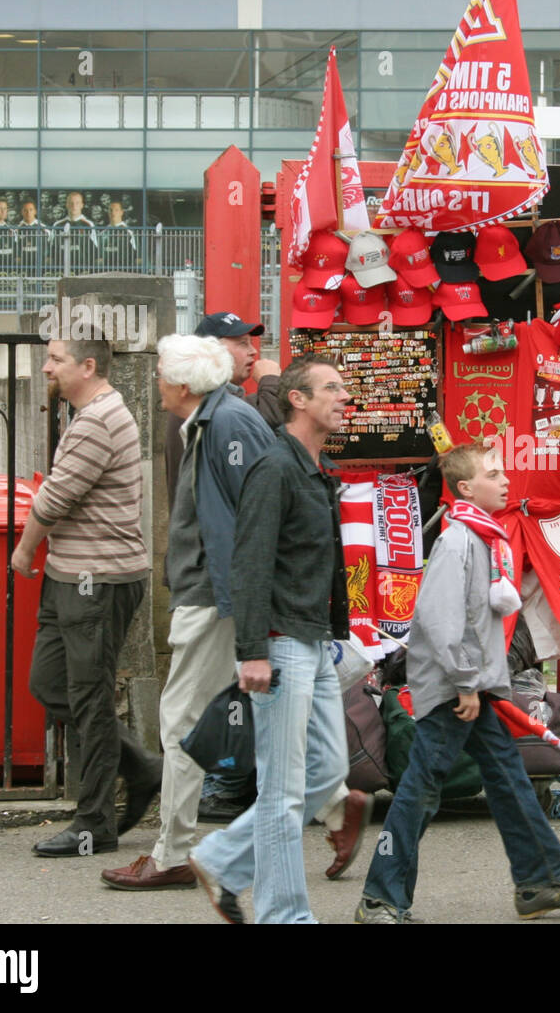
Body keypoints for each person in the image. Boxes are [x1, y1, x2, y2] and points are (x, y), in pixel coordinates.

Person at [355, 442, 560, 924]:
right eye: (494, 474)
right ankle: (380, 898)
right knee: (421, 789)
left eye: (503, 472)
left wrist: (479, 682)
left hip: (477, 686)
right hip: (454, 690)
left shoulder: (483, 536)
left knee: (508, 779)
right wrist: (465, 683)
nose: (506, 481)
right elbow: (442, 620)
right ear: (466, 488)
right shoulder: (459, 540)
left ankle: (540, 882)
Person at [100, 334, 274, 891]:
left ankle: (173, 851)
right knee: (273, 714)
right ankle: (338, 804)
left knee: (181, 724)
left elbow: (251, 517)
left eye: (159, 377)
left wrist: (238, 605)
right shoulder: (216, 420)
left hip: (212, 597)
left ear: (179, 384)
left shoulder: (224, 423)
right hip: (215, 593)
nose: (155, 386)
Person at [189, 353, 353, 923]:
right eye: (331, 388)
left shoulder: (315, 467)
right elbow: (249, 560)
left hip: (313, 640)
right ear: (298, 400)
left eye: (344, 388)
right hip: (281, 643)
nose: (343, 396)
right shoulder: (274, 467)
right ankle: (284, 915)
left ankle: (222, 858)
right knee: (281, 792)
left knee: (329, 771)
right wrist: (252, 650)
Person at [13, 332, 161, 857]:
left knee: (90, 702)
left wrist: (23, 551)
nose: (47, 367)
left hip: (95, 580)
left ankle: (93, 823)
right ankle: (142, 768)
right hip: (70, 574)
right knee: (50, 684)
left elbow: (54, 499)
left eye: (56, 359)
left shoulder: (97, 420)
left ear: (88, 365)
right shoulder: (90, 415)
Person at [53, 190, 97, 270]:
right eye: (71, 203)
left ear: (82, 205)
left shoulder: (89, 225)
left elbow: (95, 249)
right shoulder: (57, 225)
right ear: (66, 205)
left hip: (83, 269)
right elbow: (52, 247)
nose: (74, 206)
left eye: (77, 203)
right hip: (62, 269)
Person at [15, 199, 53, 276]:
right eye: (25, 210)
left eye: (31, 210)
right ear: (22, 212)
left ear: (35, 211)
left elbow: (51, 244)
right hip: (23, 268)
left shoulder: (44, 228)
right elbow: (14, 246)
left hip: (40, 267)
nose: (28, 213)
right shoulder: (16, 229)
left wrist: (48, 256)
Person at [97, 200, 138, 271]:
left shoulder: (130, 232)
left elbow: (138, 258)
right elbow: (99, 257)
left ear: (121, 212)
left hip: (124, 273)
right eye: (111, 210)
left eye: (116, 210)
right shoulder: (103, 233)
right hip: (107, 273)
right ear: (108, 212)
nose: (113, 213)